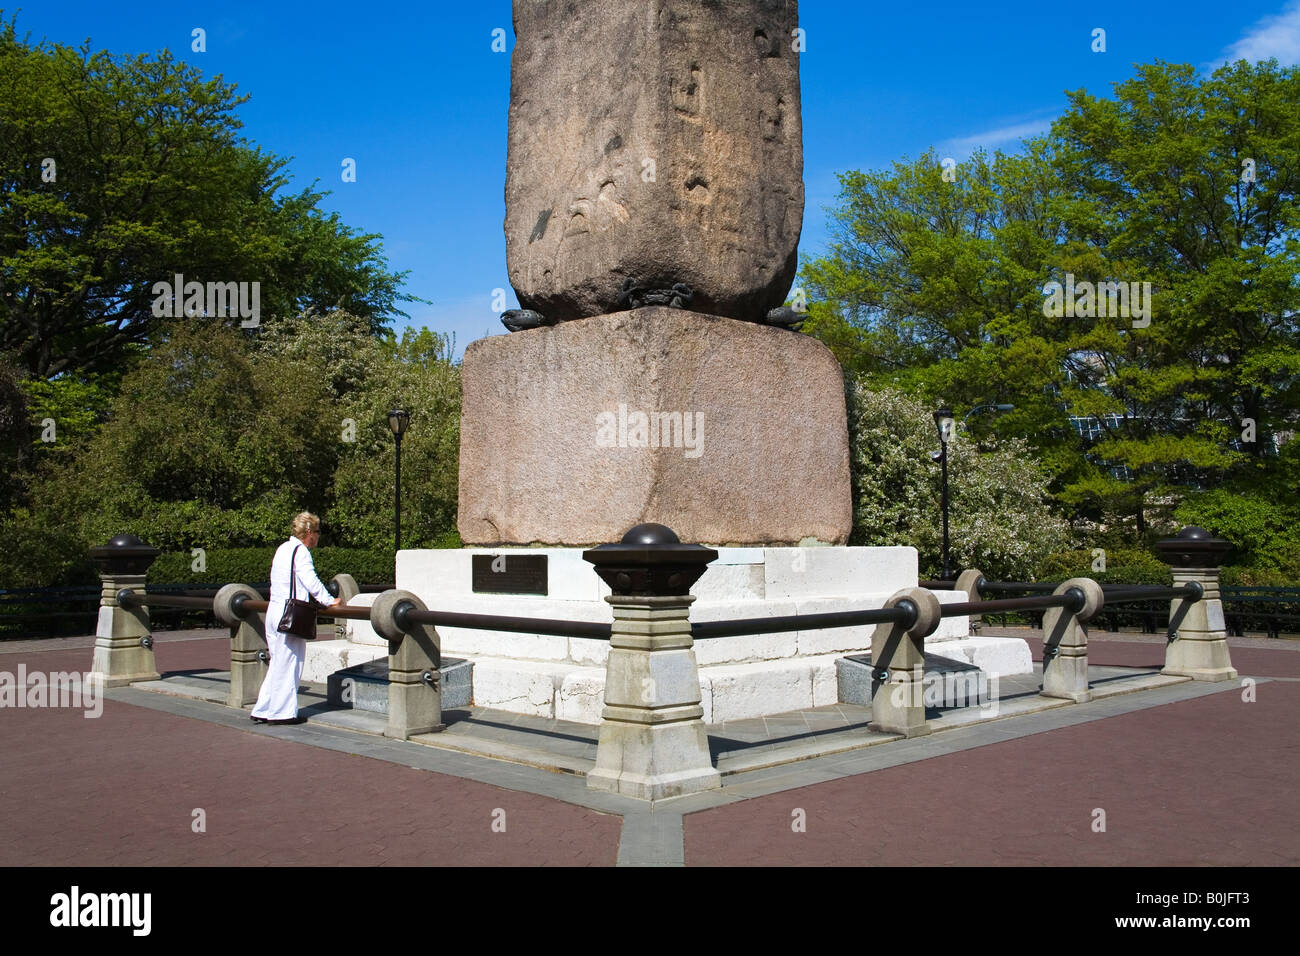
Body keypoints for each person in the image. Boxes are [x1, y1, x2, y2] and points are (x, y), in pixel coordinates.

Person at [250, 512, 343, 725]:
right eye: (318, 532)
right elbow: (310, 580)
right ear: (309, 532)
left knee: (277, 663)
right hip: (290, 614)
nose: (319, 537)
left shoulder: (283, 549)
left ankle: (264, 707)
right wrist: (329, 601)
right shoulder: (301, 552)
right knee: (289, 663)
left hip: (274, 611)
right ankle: (282, 713)